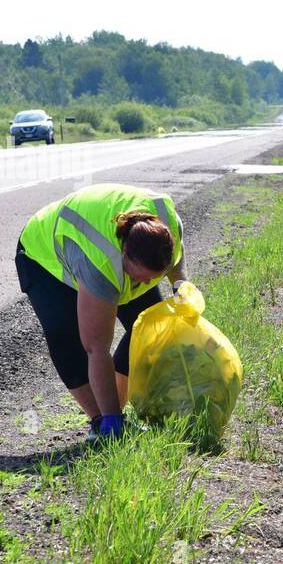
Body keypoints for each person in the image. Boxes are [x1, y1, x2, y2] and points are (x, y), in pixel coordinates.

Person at [15, 183, 191, 442]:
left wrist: (180, 285)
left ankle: (119, 413)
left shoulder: (168, 223)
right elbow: (96, 348)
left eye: (151, 280)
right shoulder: (101, 263)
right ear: (124, 256)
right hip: (44, 257)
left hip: (113, 244)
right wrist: (109, 417)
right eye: (138, 278)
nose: (141, 285)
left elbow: (175, 261)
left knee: (150, 329)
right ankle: (101, 422)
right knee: (67, 337)